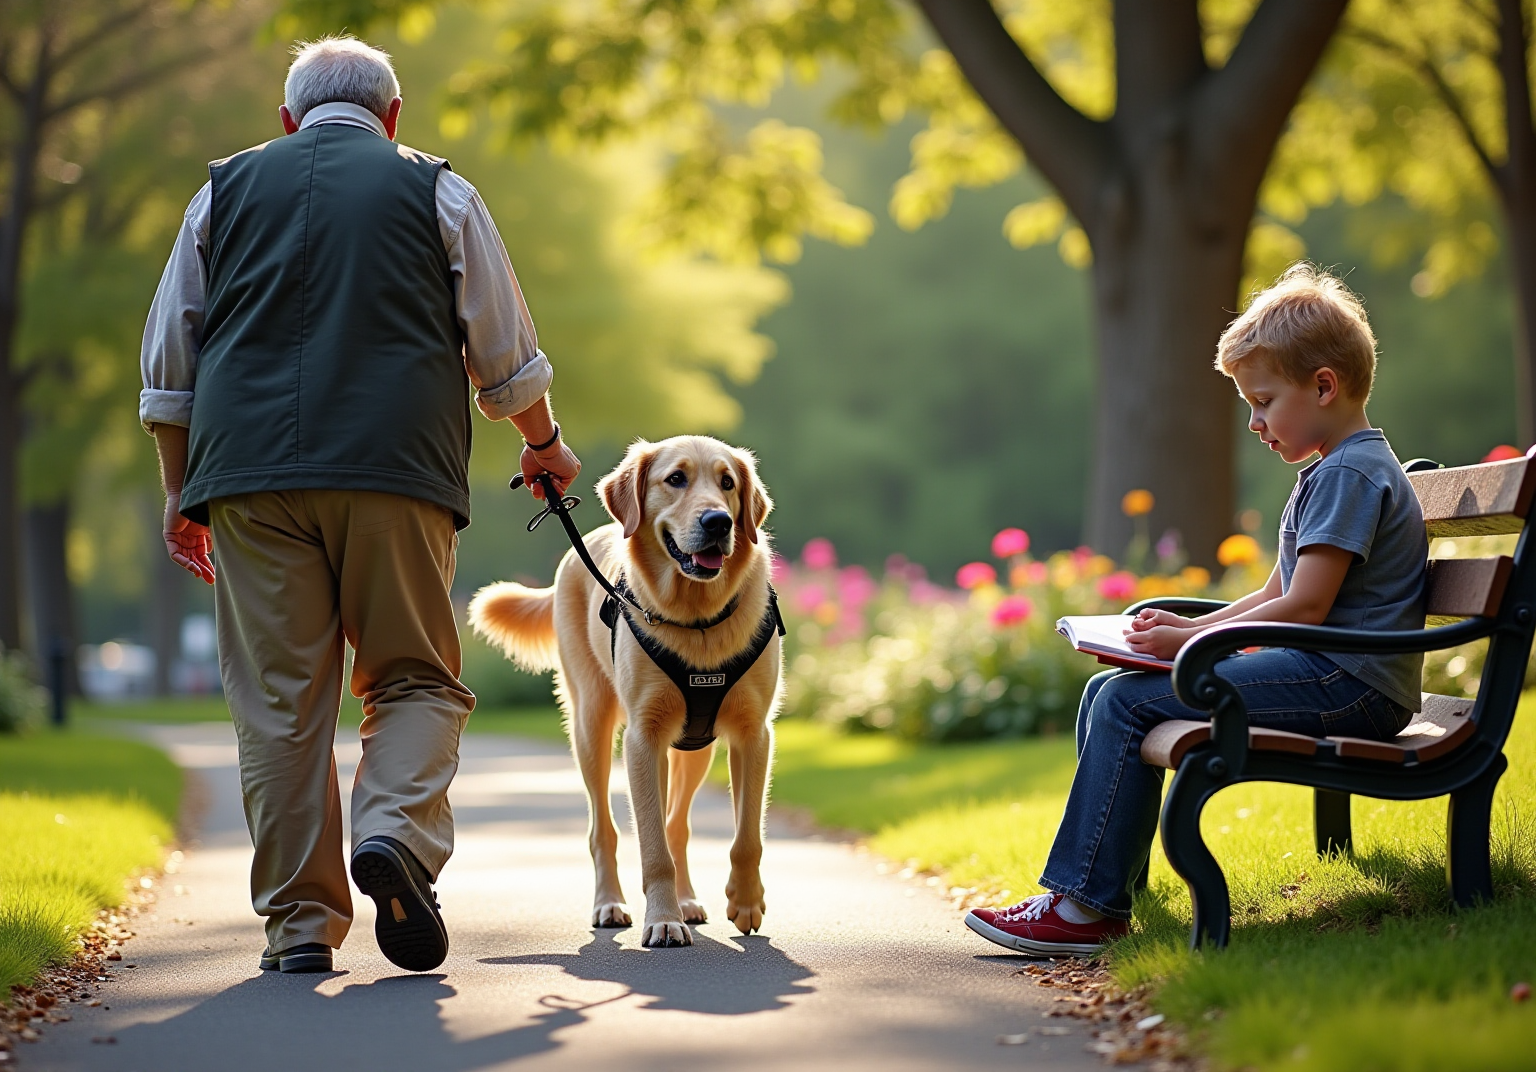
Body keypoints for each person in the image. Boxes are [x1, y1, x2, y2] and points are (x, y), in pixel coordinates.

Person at [139, 36, 581, 974]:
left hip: (248, 481)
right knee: (414, 677)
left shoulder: (221, 191)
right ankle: (393, 836)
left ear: (289, 120)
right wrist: (542, 445)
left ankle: (299, 927)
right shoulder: (437, 190)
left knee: (280, 705)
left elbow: (171, 358)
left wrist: (182, 491)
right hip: (397, 470)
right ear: (392, 118)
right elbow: (502, 348)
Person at [965, 264, 1427, 956]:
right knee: (1107, 692)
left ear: (1324, 386)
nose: (1255, 422)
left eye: (1264, 401)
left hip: (1351, 684)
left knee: (1127, 704)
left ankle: (1086, 908)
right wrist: (1191, 632)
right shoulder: (1331, 471)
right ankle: (1099, 887)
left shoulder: (1350, 474)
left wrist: (1193, 643)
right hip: (1336, 673)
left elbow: (1307, 603)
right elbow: (1278, 591)